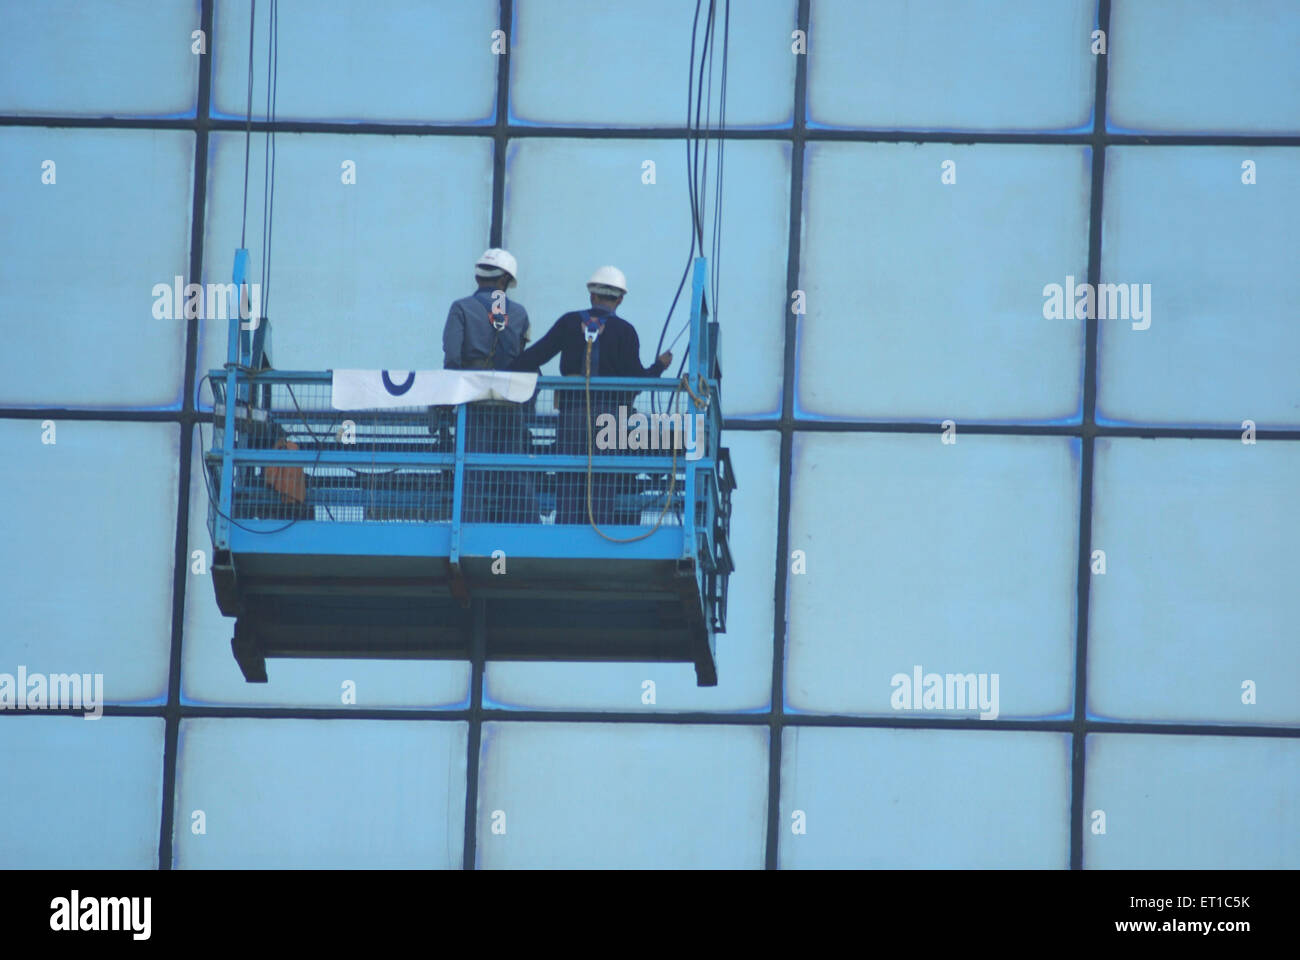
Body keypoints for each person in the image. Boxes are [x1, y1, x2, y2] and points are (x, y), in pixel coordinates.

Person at [510, 266, 672, 526]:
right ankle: (599, 531)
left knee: (570, 474)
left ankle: (568, 529)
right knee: (603, 477)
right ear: (619, 299)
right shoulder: (625, 332)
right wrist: (659, 367)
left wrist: (513, 375)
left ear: (591, 296)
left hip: (572, 416)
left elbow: (533, 356)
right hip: (610, 420)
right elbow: (636, 382)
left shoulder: (569, 323)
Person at [441, 248, 536, 524]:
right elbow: (522, 355)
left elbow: (453, 356)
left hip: (473, 396)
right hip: (510, 396)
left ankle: (470, 524)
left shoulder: (461, 308)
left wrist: (448, 399)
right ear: (506, 280)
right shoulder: (518, 313)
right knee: (512, 465)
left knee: (470, 465)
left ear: (477, 275)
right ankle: (518, 524)